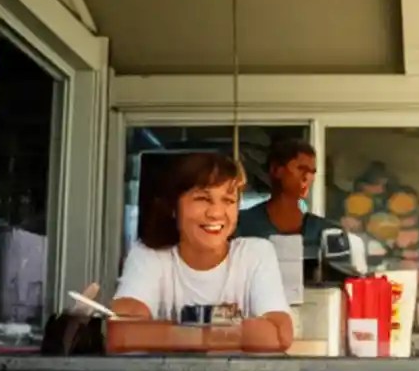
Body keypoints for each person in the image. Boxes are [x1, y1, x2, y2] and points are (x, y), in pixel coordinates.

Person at [113, 152, 293, 353]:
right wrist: (232, 333)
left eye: (228, 200)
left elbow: (279, 334)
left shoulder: (255, 254)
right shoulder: (148, 255)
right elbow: (122, 333)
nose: (216, 213)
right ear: (174, 207)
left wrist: (167, 334)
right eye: (202, 199)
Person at [235, 138, 336, 259]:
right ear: (276, 170)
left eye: (312, 172)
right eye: (301, 169)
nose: (307, 177)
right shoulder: (241, 225)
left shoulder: (326, 232)